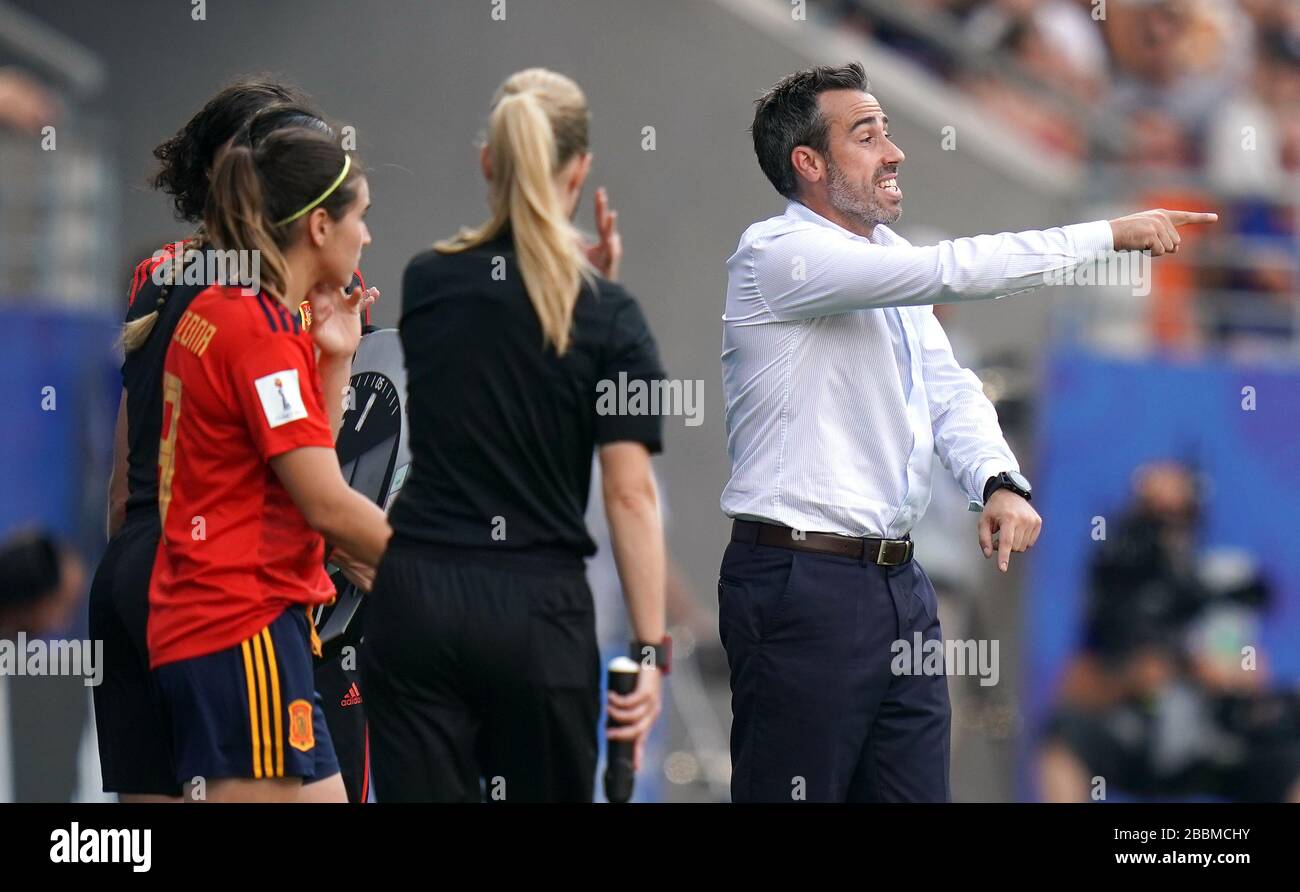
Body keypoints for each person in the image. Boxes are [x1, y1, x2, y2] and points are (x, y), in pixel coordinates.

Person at [718, 62, 1217, 803]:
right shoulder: (777, 254)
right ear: (809, 164)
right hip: (801, 583)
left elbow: (950, 391)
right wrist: (1107, 234)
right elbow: (957, 269)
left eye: (887, 130)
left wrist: (997, 479)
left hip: (899, 584)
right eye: (867, 135)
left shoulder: (886, 260)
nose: (895, 151)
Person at [361, 68, 668, 802]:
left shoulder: (426, 281)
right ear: (581, 170)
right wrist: (650, 649)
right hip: (535, 612)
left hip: (418, 599)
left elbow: (500, 344)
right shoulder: (610, 317)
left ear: (487, 162)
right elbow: (629, 496)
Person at [147, 126, 390, 803]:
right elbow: (327, 504)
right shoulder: (257, 332)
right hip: (238, 628)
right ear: (318, 226)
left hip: (233, 629)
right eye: (360, 216)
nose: (366, 236)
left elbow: (307, 467)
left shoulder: (230, 312)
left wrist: (335, 358)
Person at [90, 80, 316, 803]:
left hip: (129, 572)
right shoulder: (271, 295)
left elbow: (126, 484)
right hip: (221, 588)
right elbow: (314, 478)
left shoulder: (158, 276)